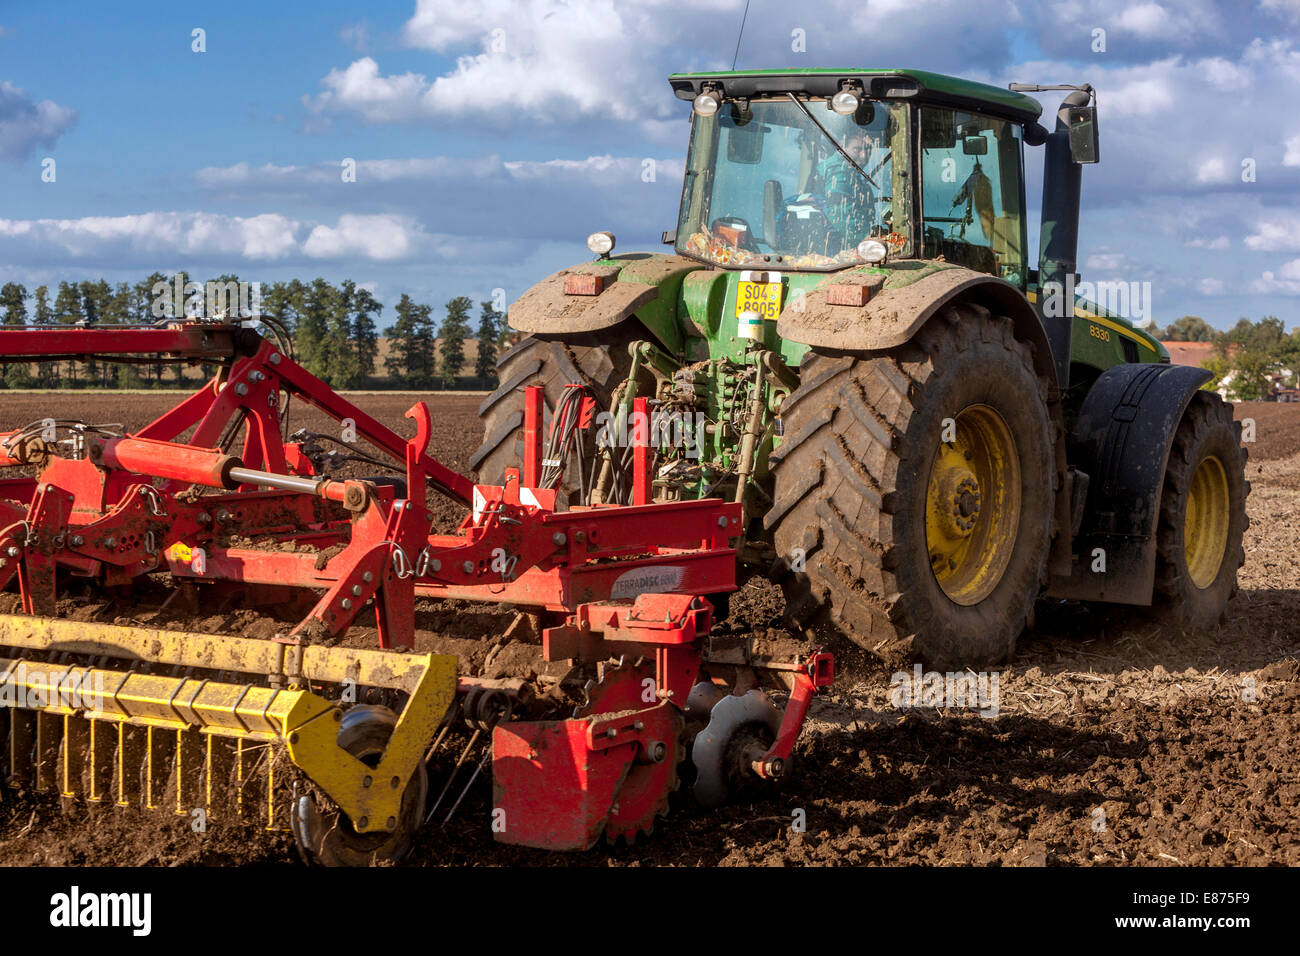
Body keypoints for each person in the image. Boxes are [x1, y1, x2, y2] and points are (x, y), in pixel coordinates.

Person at [817, 130, 879, 243]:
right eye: (857, 149)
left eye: (868, 149)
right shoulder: (838, 172)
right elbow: (840, 213)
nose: (864, 155)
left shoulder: (852, 174)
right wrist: (867, 240)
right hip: (835, 249)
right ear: (841, 146)